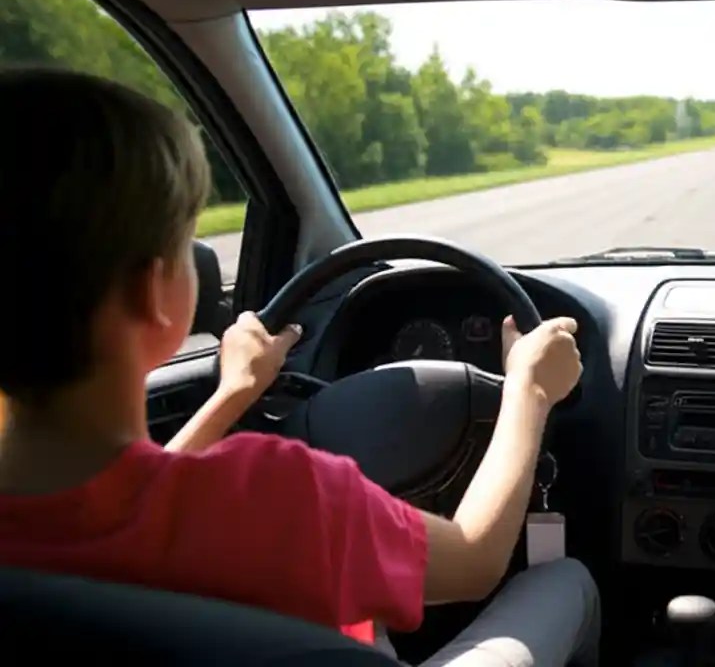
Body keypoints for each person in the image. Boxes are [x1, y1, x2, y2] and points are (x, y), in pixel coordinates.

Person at [0, 68, 600, 667]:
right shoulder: (275, 497)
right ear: (152, 294)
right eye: (187, 248)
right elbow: (474, 558)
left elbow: (129, 504)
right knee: (567, 582)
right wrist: (528, 390)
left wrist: (233, 393)